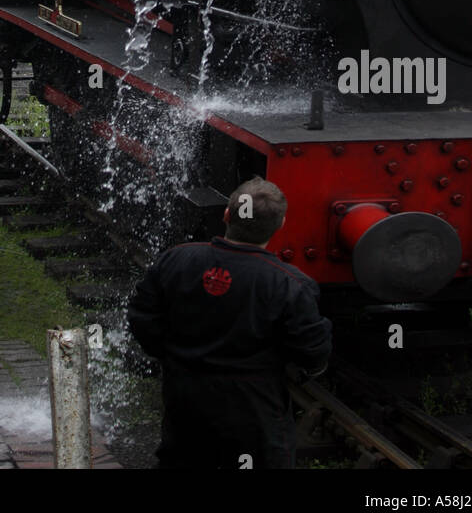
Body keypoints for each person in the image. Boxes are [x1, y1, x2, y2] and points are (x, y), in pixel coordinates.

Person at [127, 176, 331, 469]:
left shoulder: (176, 260)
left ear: (226, 215)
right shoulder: (290, 284)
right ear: (281, 224)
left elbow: (142, 317)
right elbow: (313, 350)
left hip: (185, 392)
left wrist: (171, 355)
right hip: (254, 405)